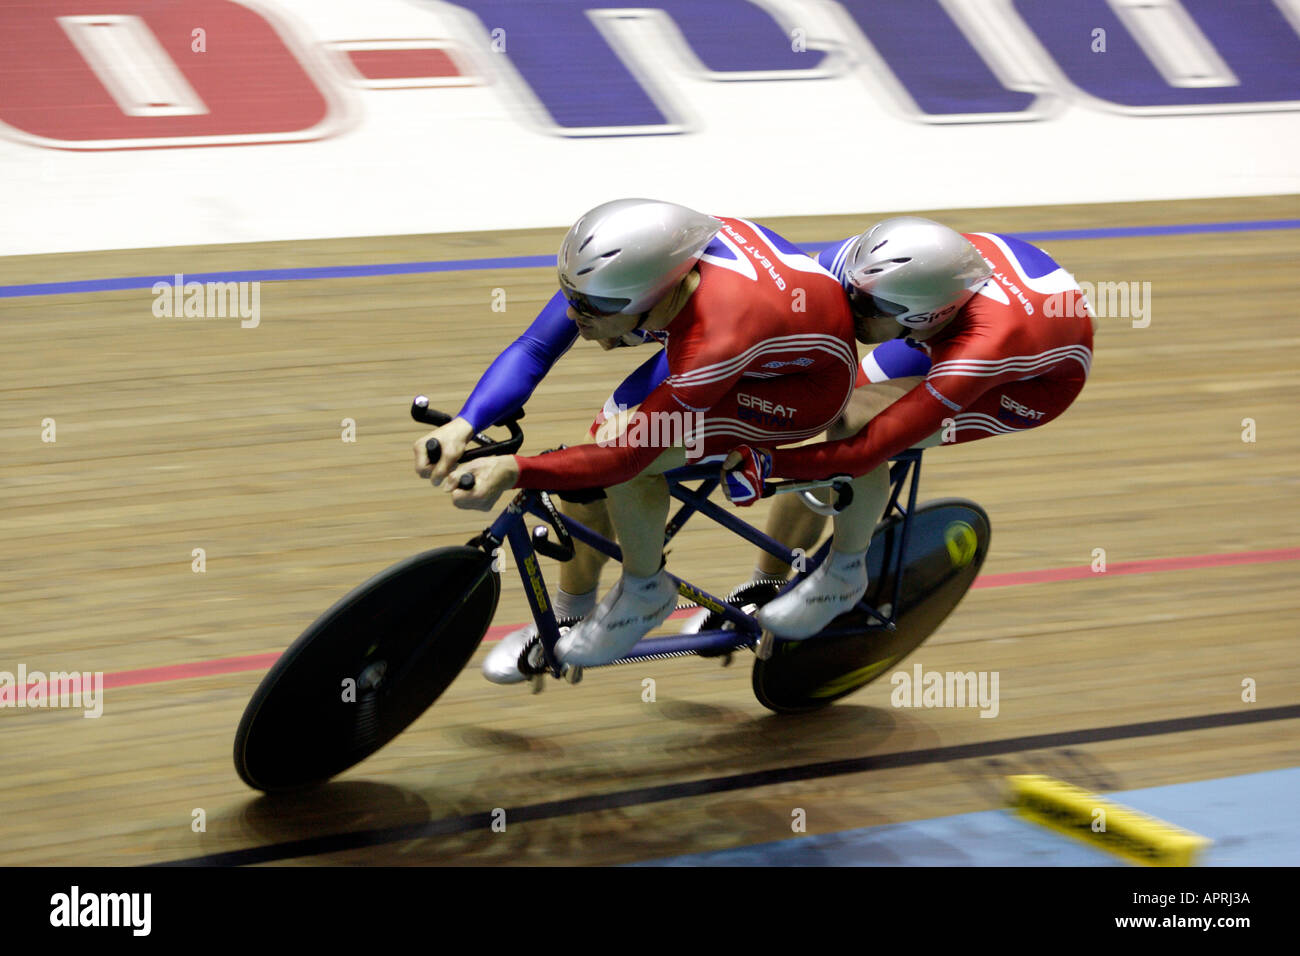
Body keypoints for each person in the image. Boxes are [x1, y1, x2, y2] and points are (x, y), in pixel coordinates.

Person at [414, 199, 862, 681]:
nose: (572, 314)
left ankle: (646, 590)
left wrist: (513, 470)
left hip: (798, 390)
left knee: (628, 456)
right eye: (570, 294)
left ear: (652, 297)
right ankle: (571, 613)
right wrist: (464, 423)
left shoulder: (713, 337)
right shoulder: (636, 267)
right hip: (743, 336)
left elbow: (626, 457)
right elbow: (534, 348)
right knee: (601, 442)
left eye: (588, 308)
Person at [720, 216, 1097, 637]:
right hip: (962, 318)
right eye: (852, 291)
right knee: (821, 405)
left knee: (855, 423)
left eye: (864, 306)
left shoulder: (983, 348)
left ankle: (843, 576)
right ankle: (762, 585)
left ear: (923, 313)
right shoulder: (865, 268)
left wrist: (769, 462)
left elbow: (867, 449)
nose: (849, 308)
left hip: (1028, 384)